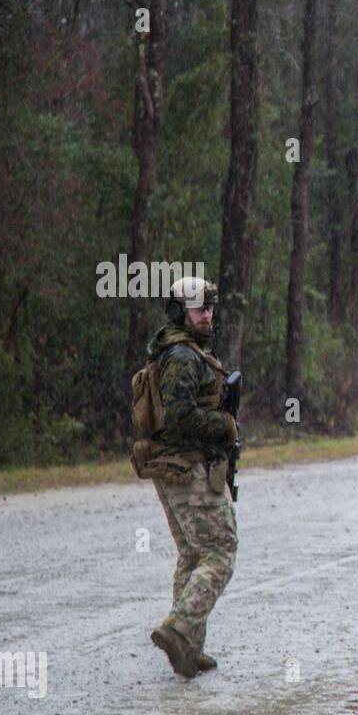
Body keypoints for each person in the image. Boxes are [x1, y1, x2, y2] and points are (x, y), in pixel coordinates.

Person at [135, 277, 239, 678]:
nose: (208, 315)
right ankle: (179, 629)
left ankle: (189, 650)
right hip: (185, 466)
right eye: (199, 308)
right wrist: (224, 425)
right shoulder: (181, 356)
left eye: (210, 307)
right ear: (180, 312)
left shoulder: (181, 351)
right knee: (221, 552)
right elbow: (178, 419)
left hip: (177, 467)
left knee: (193, 555)